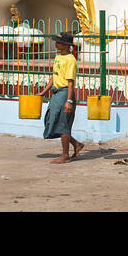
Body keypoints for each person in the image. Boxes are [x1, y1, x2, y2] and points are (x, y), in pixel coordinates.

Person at [40, 32, 84, 163]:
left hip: (65, 93)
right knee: (52, 120)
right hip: (56, 93)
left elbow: (70, 82)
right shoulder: (58, 57)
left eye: (59, 42)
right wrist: (44, 91)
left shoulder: (70, 60)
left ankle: (65, 155)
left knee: (63, 124)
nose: (56, 44)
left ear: (66, 45)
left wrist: (69, 100)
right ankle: (76, 144)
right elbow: (54, 76)